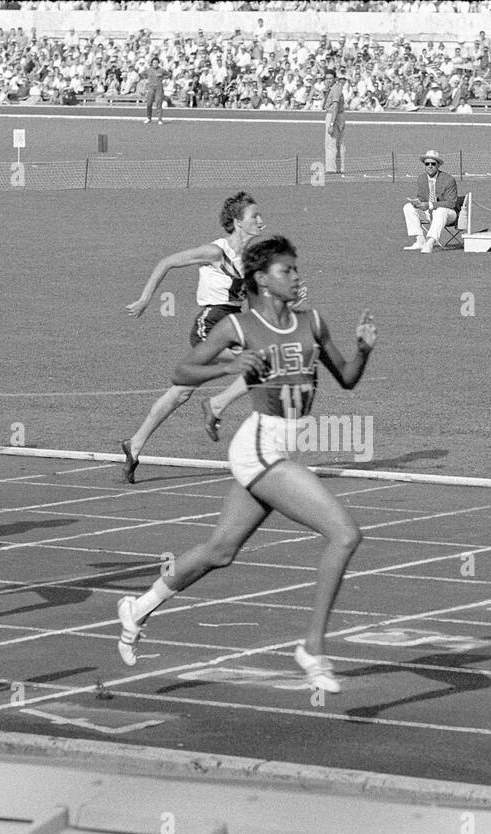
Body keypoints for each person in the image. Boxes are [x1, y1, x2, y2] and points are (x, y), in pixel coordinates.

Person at [115, 235, 377, 693]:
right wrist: (230, 367)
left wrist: (364, 349)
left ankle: (137, 609)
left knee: (220, 551)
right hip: (258, 447)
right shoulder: (238, 327)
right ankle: (312, 648)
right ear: (261, 279)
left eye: (296, 269)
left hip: (285, 447)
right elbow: (181, 372)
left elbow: (348, 380)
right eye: (286, 271)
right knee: (344, 534)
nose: (296, 278)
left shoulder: (312, 322)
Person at [120, 192, 266, 483]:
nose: (261, 221)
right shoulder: (215, 252)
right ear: (237, 222)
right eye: (254, 217)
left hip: (231, 326)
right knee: (260, 364)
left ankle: (134, 445)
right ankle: (216, 406)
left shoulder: (251, 261)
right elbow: (167, 262)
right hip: (208, 327)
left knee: (181, 393)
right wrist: (145, 299)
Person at [402, 149, 461, 254]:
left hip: (449, 215)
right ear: (424, 165)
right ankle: (420, 240)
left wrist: (430, 205)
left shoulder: (449, 179)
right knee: (408, 207)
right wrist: (417, 202)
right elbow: (421, 197)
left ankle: (430, 242)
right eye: (427, 163)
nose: (430, 166)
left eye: (433, 163)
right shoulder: (421, 179)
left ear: (438, 165)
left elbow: (451, 203)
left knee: (441, 210)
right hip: (428, 213)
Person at [322, 68, 345, 174]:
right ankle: (339, 168)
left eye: (331, 78)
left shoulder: (335, 89)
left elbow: (335, 106)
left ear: (335, 78)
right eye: (327, 79)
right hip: (337, 116)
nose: (328, 80)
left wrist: (331, 123)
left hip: (334, 116)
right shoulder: (332, 89)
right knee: (338, 143)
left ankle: (331, 168)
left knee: (331, 143)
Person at [143, 56, 167, 124]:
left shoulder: (162, 70)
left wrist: (163, 78)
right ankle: (148, 117)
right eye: (154, 63)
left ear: (158, 63)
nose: (155, 64)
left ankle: (159, 119)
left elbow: (169, 74)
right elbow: (141, 74)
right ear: (152, 63)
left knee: (158, 103)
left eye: (156, 62)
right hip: (151, 88)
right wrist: (146, 80)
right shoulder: (148, 70)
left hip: (159, 88)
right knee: (149, 104)